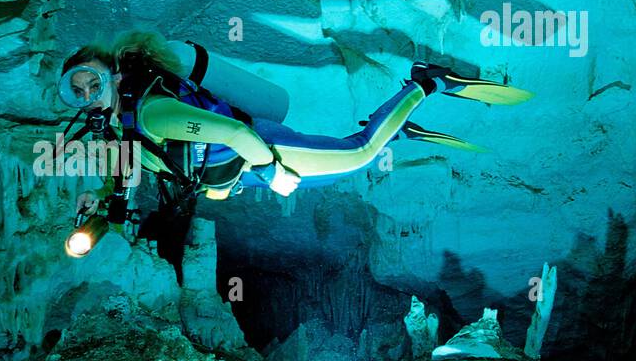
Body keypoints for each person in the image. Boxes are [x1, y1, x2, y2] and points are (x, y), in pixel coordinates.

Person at [57, 29, 532, 219]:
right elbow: (125, 172)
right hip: (243, 176)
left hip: (263, 151)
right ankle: (398, 127)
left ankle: (428, 84)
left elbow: (235, 134)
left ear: (113, 75)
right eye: (75, 91)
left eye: (91, 83)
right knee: (343, 164)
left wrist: (273, 170)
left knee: (360, 153)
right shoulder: (119, 126)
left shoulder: (153, 112)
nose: (86, 96)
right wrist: (98, 196)